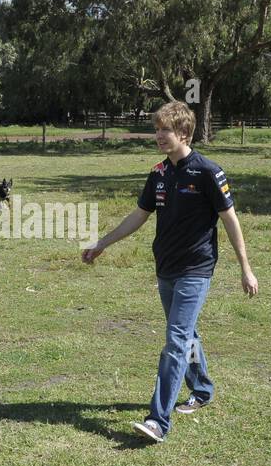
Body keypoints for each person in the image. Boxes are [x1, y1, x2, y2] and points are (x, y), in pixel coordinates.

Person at [82, 100, 258, 443]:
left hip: (197, 268)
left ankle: (158, 421)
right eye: (156, 129)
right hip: (166, 268)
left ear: (184, 132)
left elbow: (231, 221)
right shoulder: (159, 173)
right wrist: (102, 243)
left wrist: (245, 269)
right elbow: (139, 216)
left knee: (175, 340)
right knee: (186, 334)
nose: (159, 136)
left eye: (166, 130)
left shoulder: (208, 172)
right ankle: (203, 388)